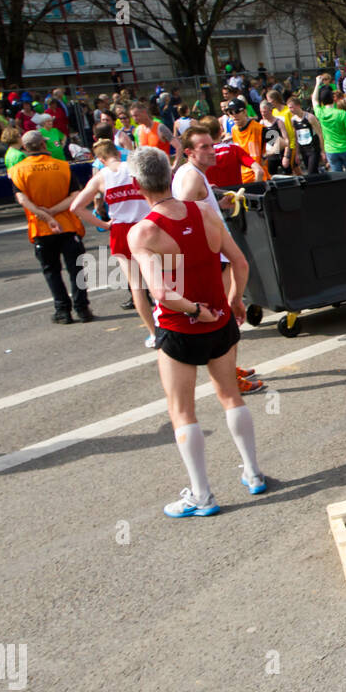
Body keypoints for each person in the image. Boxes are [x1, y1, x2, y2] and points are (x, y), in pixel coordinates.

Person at [125, 146, 265, 517]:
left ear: (138, 184)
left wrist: (194, 311)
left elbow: (161, 294)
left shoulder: (144, 232)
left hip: (180, 329)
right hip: (220, 321)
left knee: (182, 411)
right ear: (169, 175)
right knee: (231, 396)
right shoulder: (204, 212)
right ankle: (252, 473)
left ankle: (202, 497)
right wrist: (234, 299)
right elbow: (239, 261)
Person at [173, 126, 266, 395]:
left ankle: (229, 370)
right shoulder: (193, 179)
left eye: (212, 145)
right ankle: (229, 381)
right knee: (227, 317)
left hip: (211, 256)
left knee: (225, 317)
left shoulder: (188, 173)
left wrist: (215, 201)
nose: (212, 150)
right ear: (189, 152)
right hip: (213, 257)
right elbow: (181, 211)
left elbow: (193, 206)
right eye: (204, 147)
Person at [9, 131, 91, 324]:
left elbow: (22, 199)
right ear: (43, 145)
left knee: (51, 270)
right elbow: (75, 196)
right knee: (76, 268)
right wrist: (54, 211)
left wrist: (44, 214)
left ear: (25, 148)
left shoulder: (18, 170)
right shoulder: (63, 166)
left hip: (41, 228)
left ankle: (63, 311)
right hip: (67, 225)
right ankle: (82, 309)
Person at [70, 139, 153, 317]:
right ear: (116, 153)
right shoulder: (135, 169)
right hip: (148, 225)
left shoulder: (100, 177)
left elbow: (75, 207)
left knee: (137, 287)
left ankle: (153, 333)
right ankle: (172, 322)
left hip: (121, 229)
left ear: (100, 159)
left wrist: (104, 224)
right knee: (162, 279)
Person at [312, 74, 346, 173]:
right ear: (333, 99)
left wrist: (317, 84)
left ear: (322, 101)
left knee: (338, 176)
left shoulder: (320, 113)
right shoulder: (341, 113)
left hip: (331, 150)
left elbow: (314, 100)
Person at [286, 96, 323, 174]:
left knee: (311, 173)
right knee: (312, 172)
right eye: (289, 108)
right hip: (303, 149)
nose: (290, 110)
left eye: (291, 107)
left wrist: (323, 151)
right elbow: (296, 137)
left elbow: (320, 134)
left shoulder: (310, 117)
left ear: (298, 105)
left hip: (313, 149)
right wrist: (297, 154)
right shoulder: (293, 120)